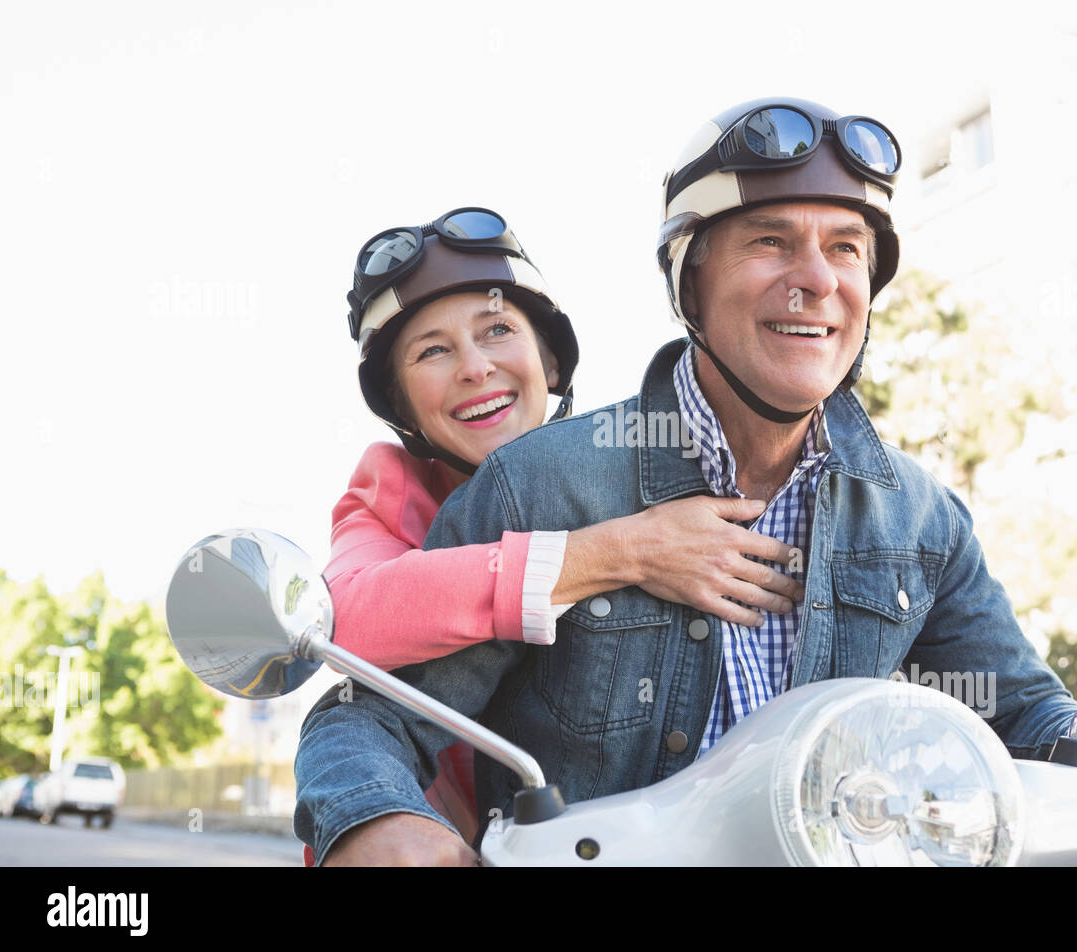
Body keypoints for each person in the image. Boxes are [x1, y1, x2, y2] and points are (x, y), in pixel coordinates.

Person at [295, 101, 1077, 867]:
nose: (816, 280)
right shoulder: (539, 484)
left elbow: (1018, 704)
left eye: (846, 248)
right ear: (690, 283)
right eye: (772, 242)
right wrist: (377, 815)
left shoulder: (922, 518)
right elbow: (372, 714)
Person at [311, 206, 806, 865]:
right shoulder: (387, 488)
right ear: (399, 404)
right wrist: (617, 552)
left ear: (549, 359)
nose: (474, 367)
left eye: (496, 331)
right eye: (432, 350)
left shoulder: (616, 468)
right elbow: (345, 621)